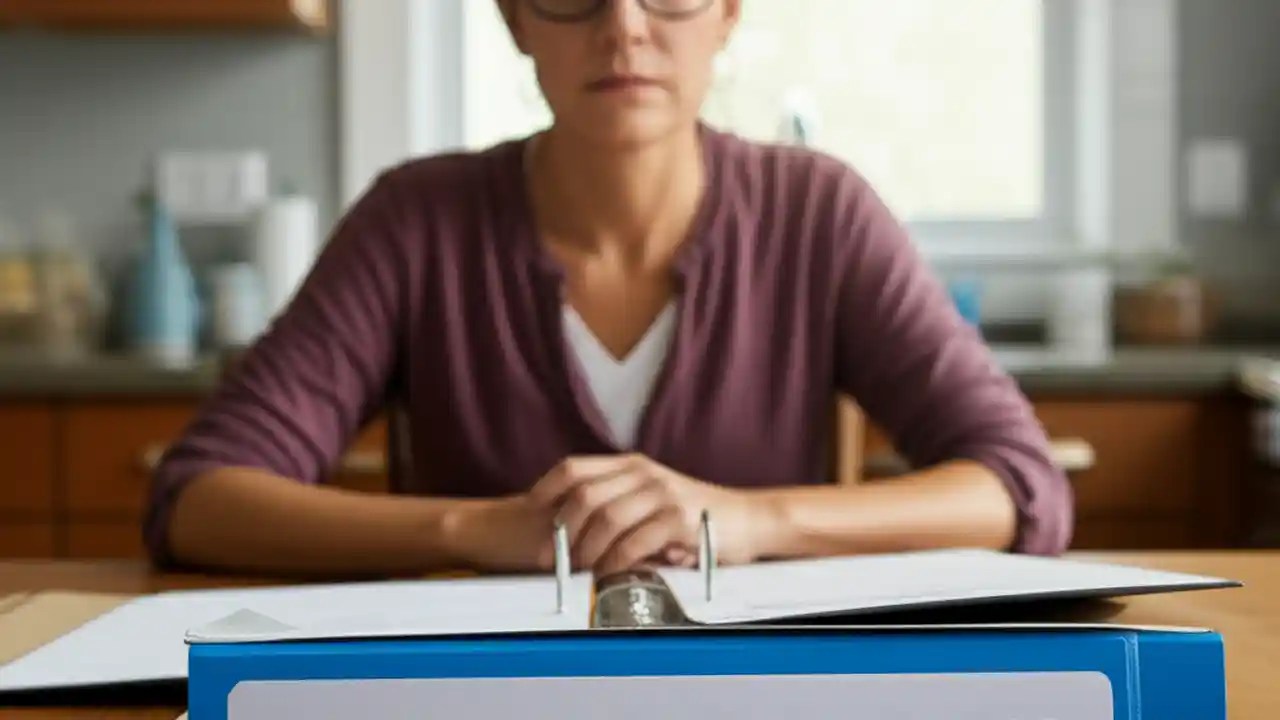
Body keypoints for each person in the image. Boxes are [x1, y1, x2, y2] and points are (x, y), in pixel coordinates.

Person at [145, 0, 1072, 578]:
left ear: (729, 13)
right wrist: (479, 530)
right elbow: (199, 499)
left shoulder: (819, 212)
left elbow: (1018, 487)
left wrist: (753, 520)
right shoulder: (415, 221)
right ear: (514, 18)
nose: (623, 25)